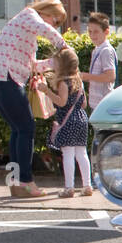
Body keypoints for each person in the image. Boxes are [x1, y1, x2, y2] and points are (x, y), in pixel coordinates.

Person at [0, 0, 68, 197]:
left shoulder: (24, 26)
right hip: (6, 78)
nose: (56, 26)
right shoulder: (29, 16)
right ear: (47, 12)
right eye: (57, 21)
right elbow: (44, 29)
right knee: (26, 128)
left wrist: (55, 62)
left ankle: (15, 183)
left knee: (18, 129)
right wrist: (63, 46)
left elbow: (33, 66)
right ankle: (26, 182)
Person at [35, 47, 92, 197]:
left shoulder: (63, 83)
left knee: (68, 153)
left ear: (62, 65)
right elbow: (84, 104)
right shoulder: (79, 81)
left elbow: (61, 102)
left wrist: (47, 91)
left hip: (68, 121)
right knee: (82, 153)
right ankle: (87, 185)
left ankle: (69, 187)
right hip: (81, 118)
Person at [80, 11, 117, 113]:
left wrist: (86, 76)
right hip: (97, 104)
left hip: (103, 104)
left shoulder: (106, 50)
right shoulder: (97, 50)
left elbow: (110, 76)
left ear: (106, 32)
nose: (92, 35)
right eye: (90, 31)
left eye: (96, 31)